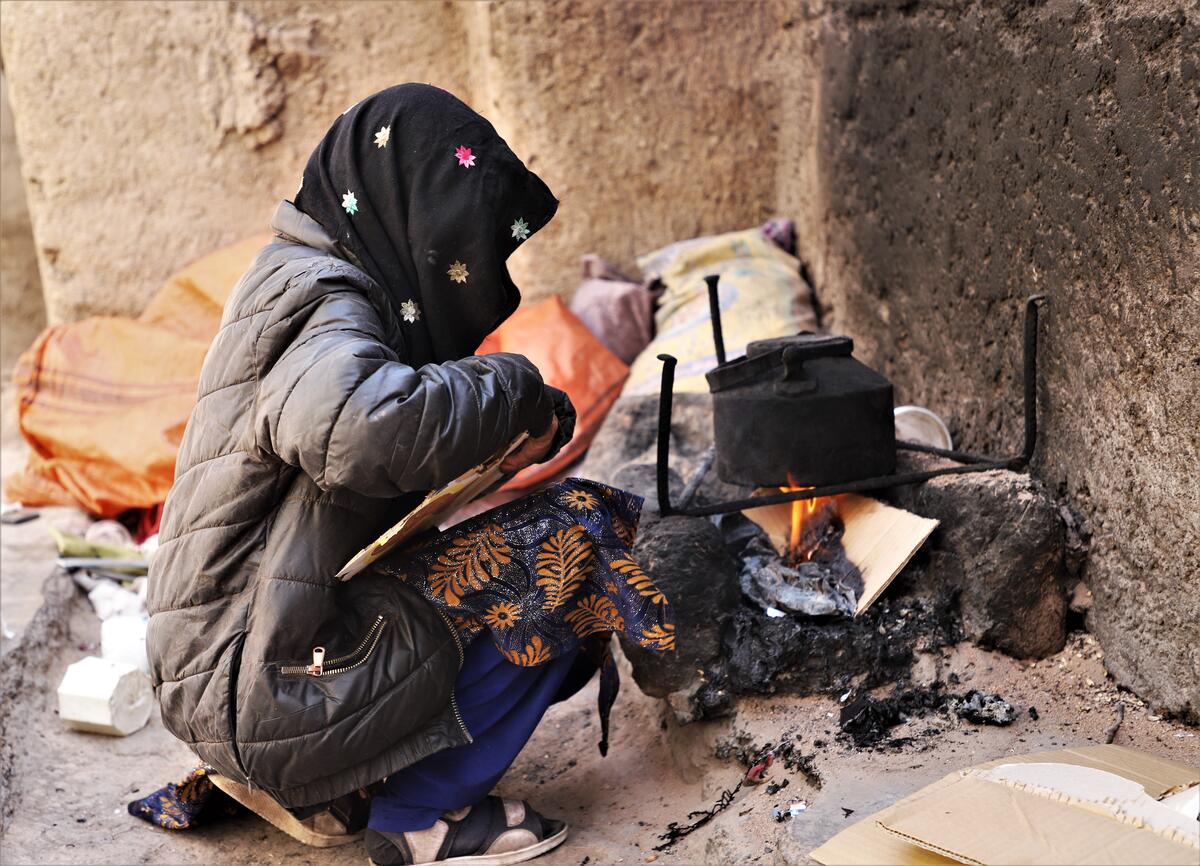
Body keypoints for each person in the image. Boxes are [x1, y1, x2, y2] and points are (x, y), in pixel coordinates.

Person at [145, 84, 673, 866]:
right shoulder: (325, 302)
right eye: (462, 250)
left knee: (504, 544)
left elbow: (347, 465)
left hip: (235, 669)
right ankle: (423, 815)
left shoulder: (295, 277)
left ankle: (337, 780)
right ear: (416, 219)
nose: (475, 279)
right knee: (578, 538)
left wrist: (493, 447)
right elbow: (359, 430)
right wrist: (514, 386)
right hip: (264, 685)